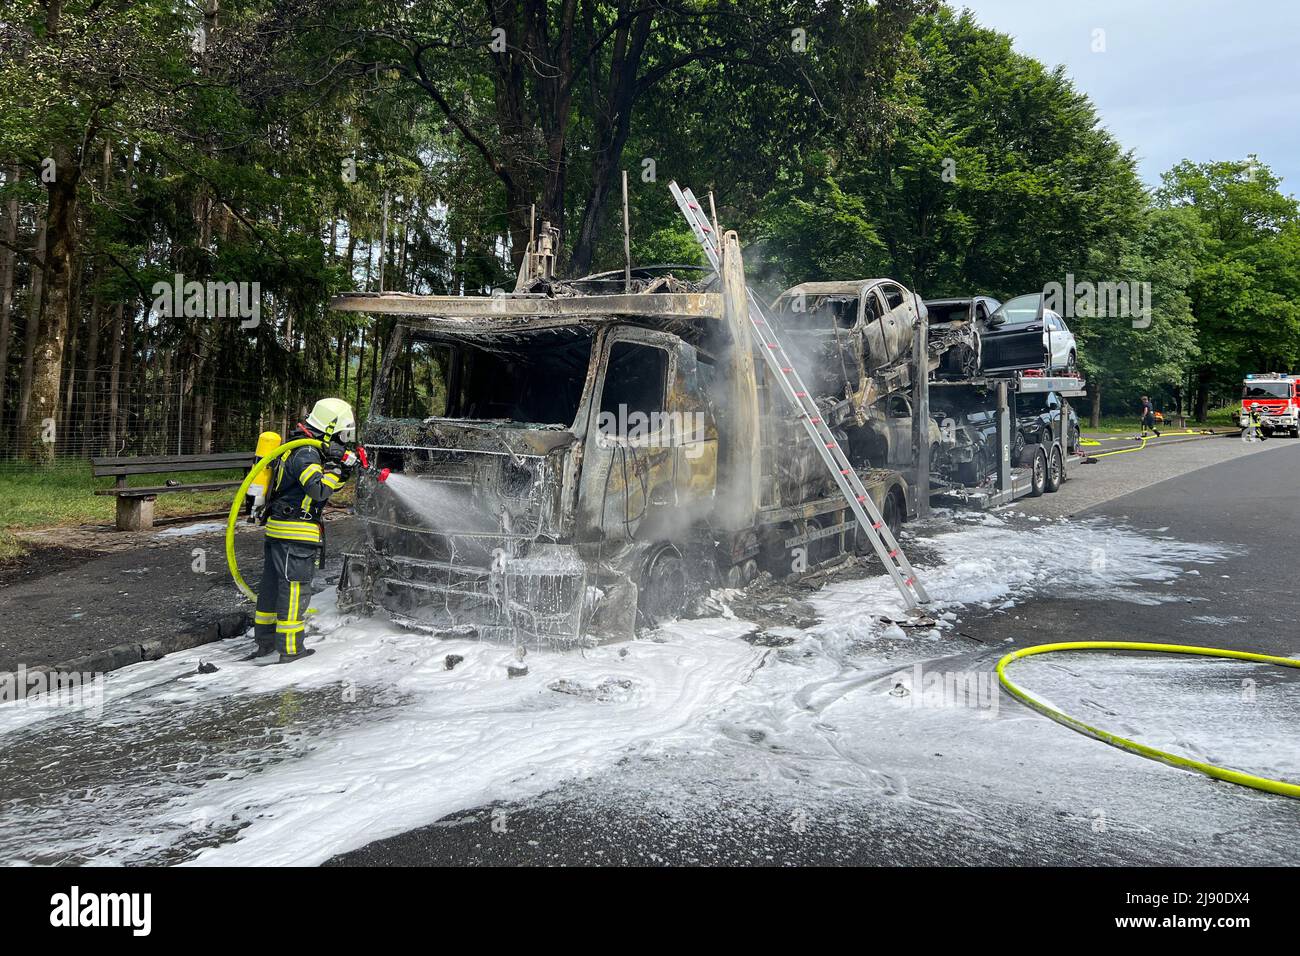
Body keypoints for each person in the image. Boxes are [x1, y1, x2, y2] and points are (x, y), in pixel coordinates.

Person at [253, 398, 358, 663]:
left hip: (280, 529)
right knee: (294, 589)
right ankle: (291, 650)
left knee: (272, 587)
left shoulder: (299, 447)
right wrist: (335, 470)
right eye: (341, 435)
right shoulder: (307, 453)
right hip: (296, 533)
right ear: (330, 427)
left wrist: (342, 470)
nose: (342, 442)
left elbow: (317, 485)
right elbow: (318, 489)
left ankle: (265, 642)